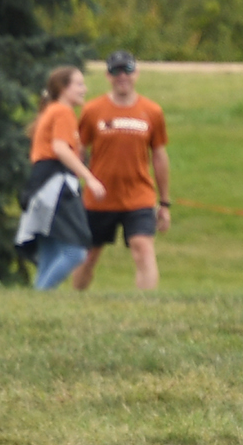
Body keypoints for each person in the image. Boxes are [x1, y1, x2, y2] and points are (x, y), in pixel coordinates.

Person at [72, 51, 171, 291]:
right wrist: (73, 188)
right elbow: (79, 151)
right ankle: (75, 300)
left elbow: (158, 155)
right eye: (116, 71)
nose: (122, 76)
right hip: (99, 197)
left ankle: (145, 308)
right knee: (88, 256)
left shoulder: (152, 111)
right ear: (108, 76)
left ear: (136, 73)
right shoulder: (93, 110)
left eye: (127, 70)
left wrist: (165, 203)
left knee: (142, 249)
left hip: (138, 196)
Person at [15, 66, 106, 291]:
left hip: (41, 184)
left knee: (51, 253)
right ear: (63, 88)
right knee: (75, 252)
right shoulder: (63, 112)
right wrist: (90, 179)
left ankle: (36, 306)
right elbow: (60, 149)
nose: (84, 89)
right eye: (79, 84)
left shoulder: (52, 111)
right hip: (55, 186)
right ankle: (39, 300)